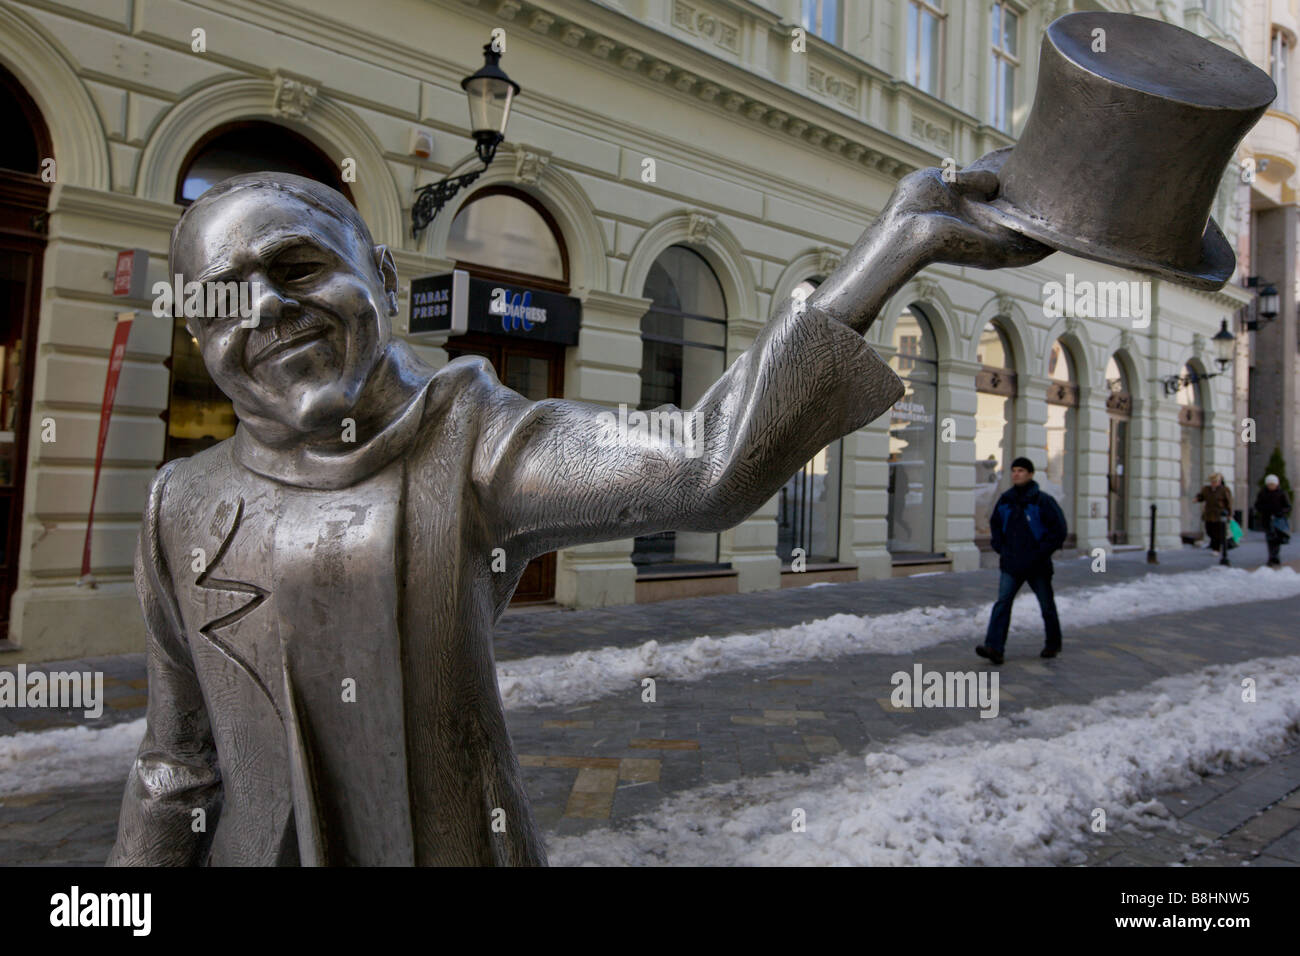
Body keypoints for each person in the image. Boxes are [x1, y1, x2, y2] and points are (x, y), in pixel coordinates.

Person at [108, 158, 1048, 866]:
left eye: (300, 268)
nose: (266, 308)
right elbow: (174, 765)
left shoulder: (473, 443)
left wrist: (892, 252)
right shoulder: (180, 503)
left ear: (386, 277)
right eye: (225, 298)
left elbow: (706, 464)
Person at [976, 457, 1068, 665]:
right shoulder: (1006, 500)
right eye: (1014, 470)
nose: (1016, 474)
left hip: (1037, 565)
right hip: (1011, 563)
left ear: (1030, 474)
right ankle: (994, 647)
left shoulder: (1043, 501)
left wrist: (1041, 552)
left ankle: (1053, 643)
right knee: (1002, 604)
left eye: (1021, 471)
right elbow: (996, 525)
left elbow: (1059, 530)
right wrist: (1001, 548)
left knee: (1046, 605)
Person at [1255, 474, 1292, 567]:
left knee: (1277, 539)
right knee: (1270, 538)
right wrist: (1263, 510)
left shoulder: (1282, 493)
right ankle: (1272, 557)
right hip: (1267, 519)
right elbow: (1257, 505)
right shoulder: (1263, 493)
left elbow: (1288, 506)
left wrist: (1280, 512)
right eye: (1269, 484)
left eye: (1273, 484)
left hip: (1278, 520)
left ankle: (1275, 557)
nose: (1271, 486)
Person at [1195, 472, 1232, 551]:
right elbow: (1202, 496)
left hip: (1219, 514)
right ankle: (1215, 544)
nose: (1213, 483)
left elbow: (1228, 502)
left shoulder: (1224, 490)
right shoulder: (1206, 489)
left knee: (1217, 532)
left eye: (1215, 482)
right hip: (1209, 513)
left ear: (1219, 482)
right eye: (1212, 482)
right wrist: (1197, 499)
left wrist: (1229, 514)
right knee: (1209, 530)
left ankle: (1216, 548)